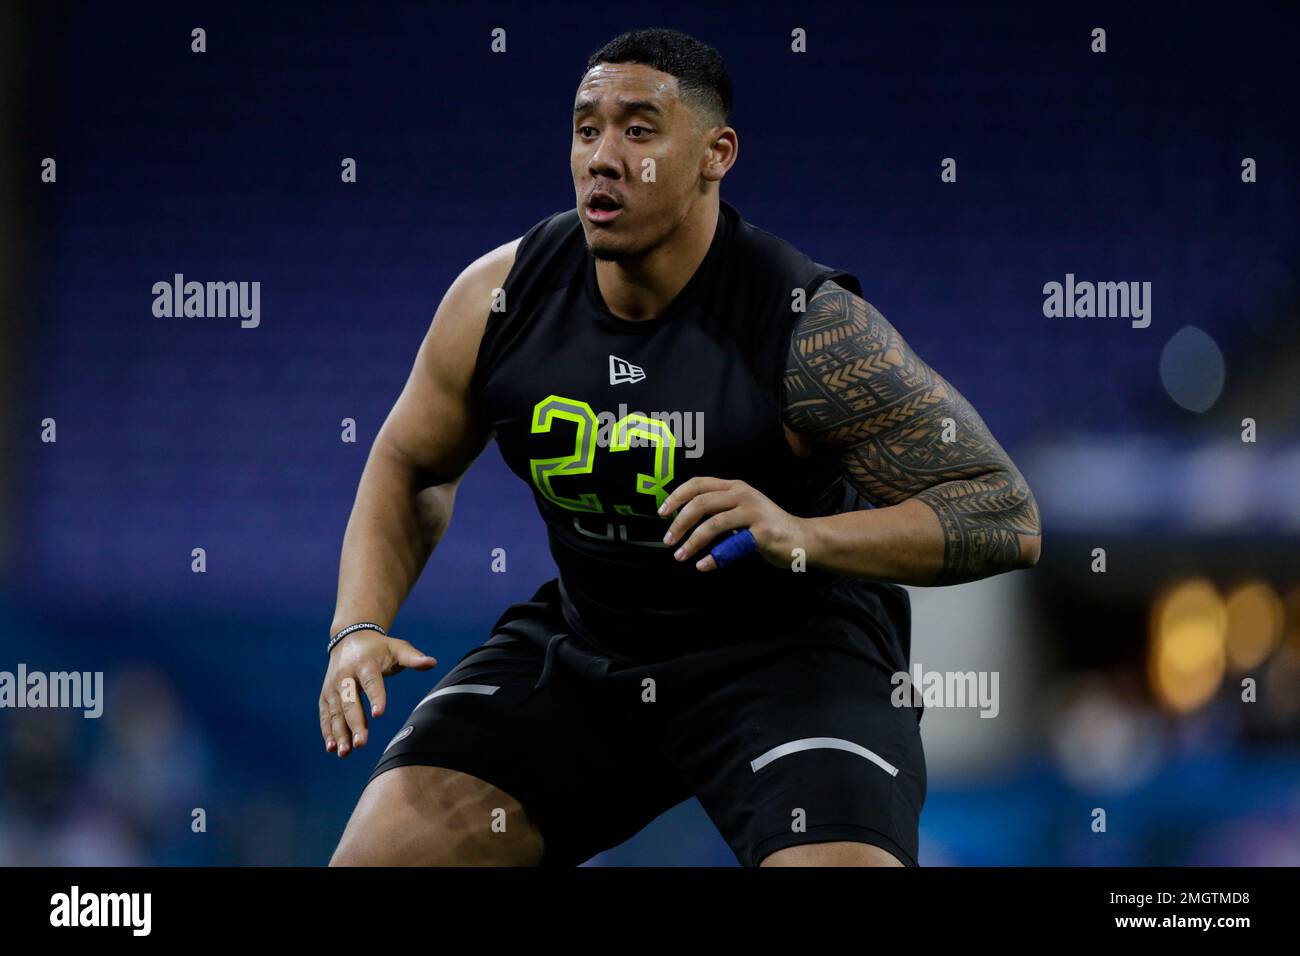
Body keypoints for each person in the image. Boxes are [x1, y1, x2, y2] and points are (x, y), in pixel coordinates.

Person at [321, 27, 1040, 867]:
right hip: (591, 646)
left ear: (714, 153)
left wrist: (802, 537)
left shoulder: (808, 332)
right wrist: (358, 625)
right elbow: (411, 464)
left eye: (638, 129)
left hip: (793, 662)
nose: (602, 156)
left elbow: (1005, 514)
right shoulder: (498, 301)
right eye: (587, 128)